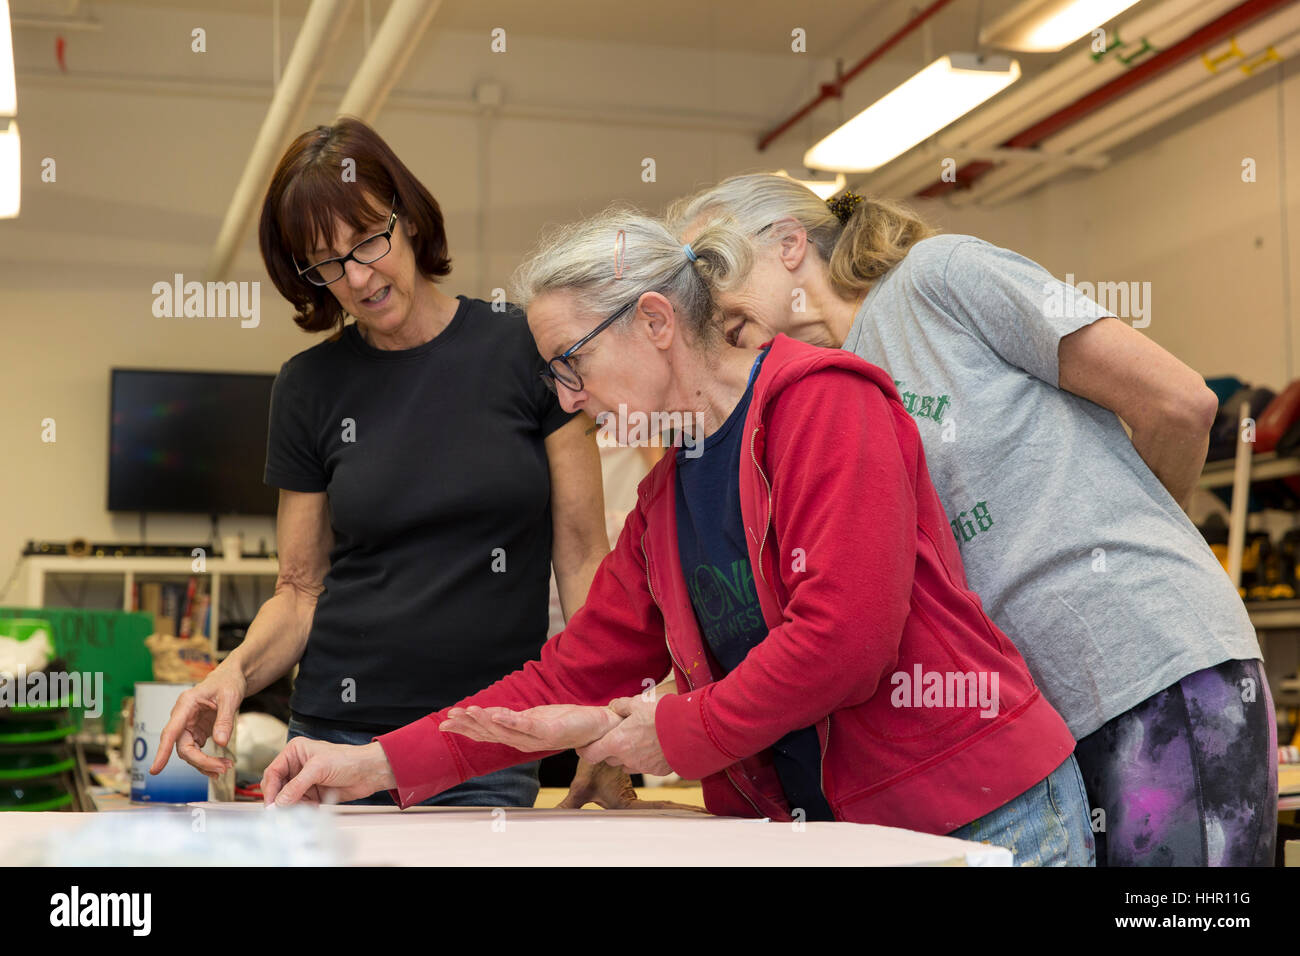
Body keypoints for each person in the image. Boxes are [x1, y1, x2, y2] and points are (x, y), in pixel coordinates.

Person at [261, 208, 1095, 866]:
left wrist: (673, 731)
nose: (570, 396)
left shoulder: (825, 406)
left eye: (570, 363)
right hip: (838, 830)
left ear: (655, 322)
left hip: (982, 817)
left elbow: (846, 641)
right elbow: (569, 673)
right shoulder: (668, 497)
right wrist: (374, 765)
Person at [666, 172, 1277, 866]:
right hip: (1040, 719)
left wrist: (1132, 532)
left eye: (710, 265)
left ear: (788, 242)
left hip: (1147, 659)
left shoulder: (942, 276)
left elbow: (1179, 403)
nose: (703, 302)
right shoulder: (824, 386)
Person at [149, 117, 610, 808]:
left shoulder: (527, 349)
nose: (358, 277)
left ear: (410, 218)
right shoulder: (308, 386)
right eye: (327, 263)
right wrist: (234, 671)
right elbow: (300, 591)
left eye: (368, 239)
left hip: (483, 742)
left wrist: (602, 726)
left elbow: (582, 558)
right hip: (331, 742)